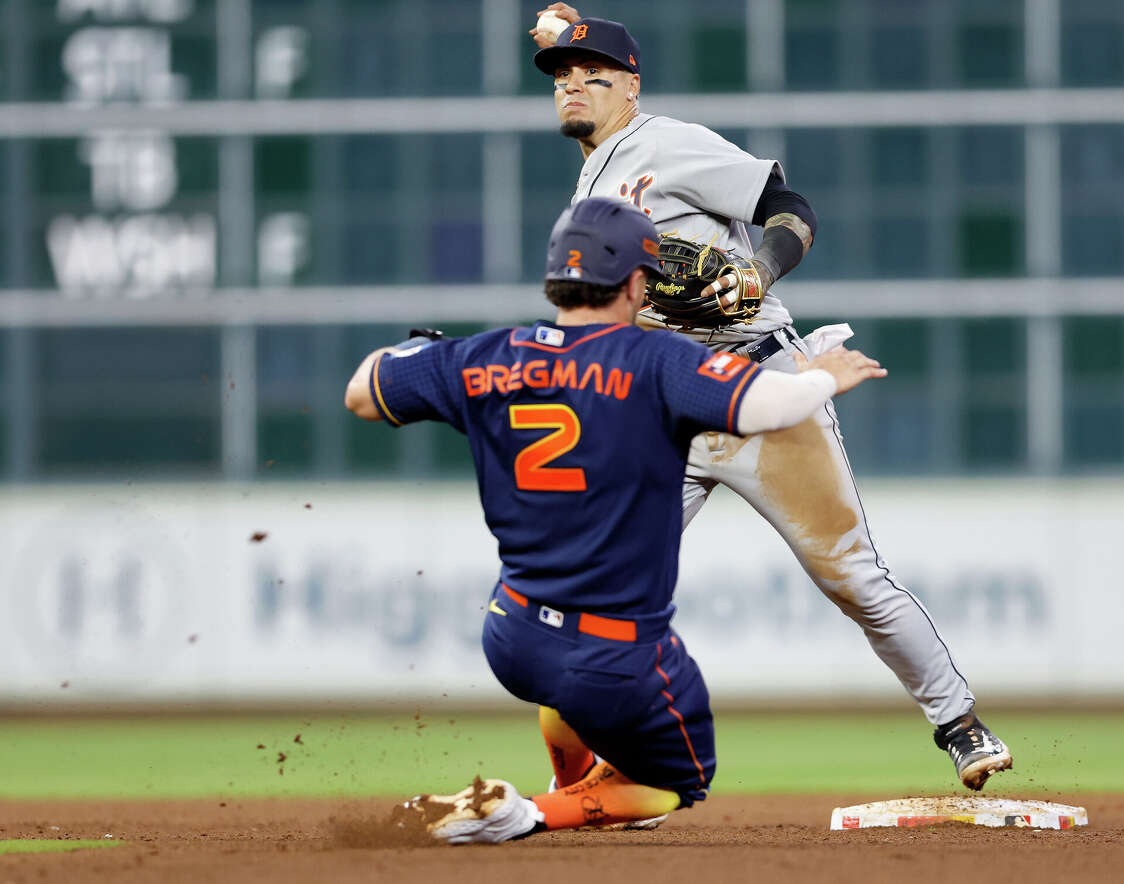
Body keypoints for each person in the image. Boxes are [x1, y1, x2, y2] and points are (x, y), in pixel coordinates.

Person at [530, 4, 1013, 792]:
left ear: (632, 87)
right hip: (670, 406)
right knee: (596, 583)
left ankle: (958, 723)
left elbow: (792, 209)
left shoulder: (667, 143)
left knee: (851, 577)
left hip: (759, 383)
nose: (574, 86)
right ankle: (602, 766)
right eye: (563, 77)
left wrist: (759, 269)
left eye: (595, 75)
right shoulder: (587, 193)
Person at [344, 196, 886, 844]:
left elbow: (363, 390)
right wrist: (822, 375)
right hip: (617, 653)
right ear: (635, 285)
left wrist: (431, 360)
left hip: (511, 636)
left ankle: (563, 782)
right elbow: (773, 404)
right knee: (677, 783)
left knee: (565, 684)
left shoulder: (485, 357)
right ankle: (527, 813)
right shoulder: (655, 361)